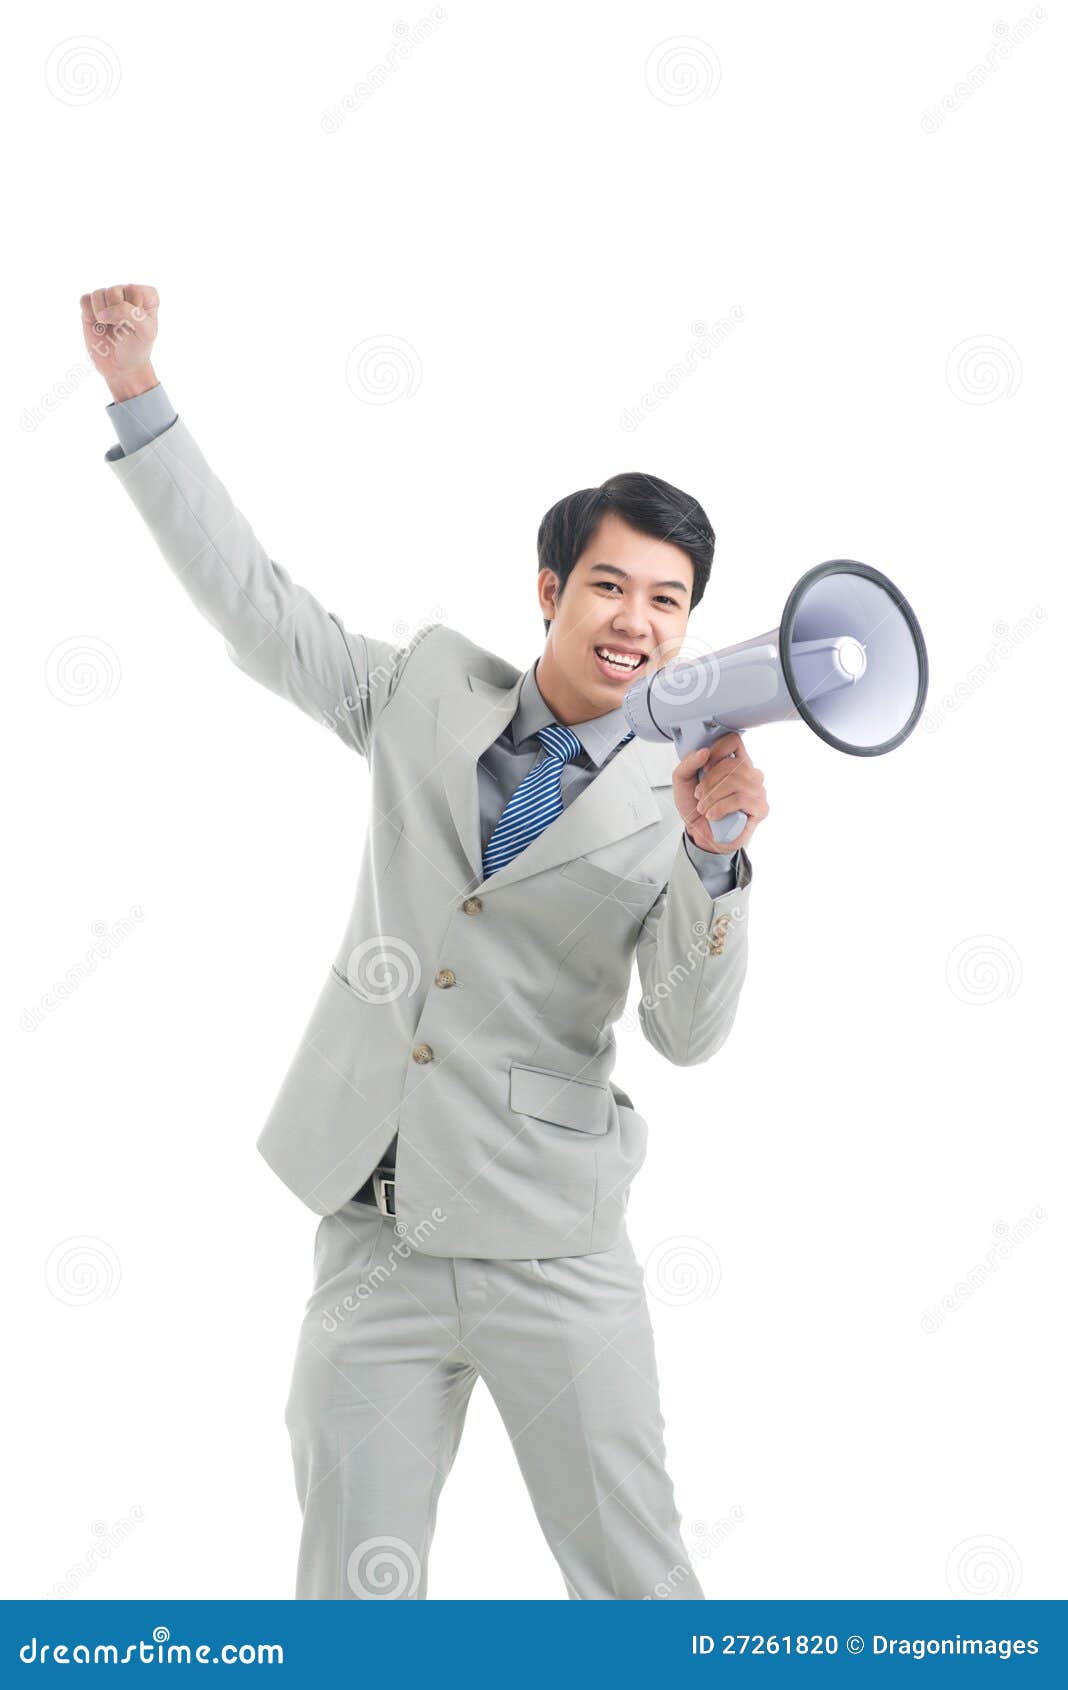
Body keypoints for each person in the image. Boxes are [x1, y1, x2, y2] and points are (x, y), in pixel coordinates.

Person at [81, 282, 769, 1601]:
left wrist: (717, 859)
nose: (636, 620)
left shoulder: (686, 791)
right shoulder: (420, 696)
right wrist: (136, 392)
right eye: (611, 585)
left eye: (668, 601)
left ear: (687, 624)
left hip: (552, 1243)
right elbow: (258, 608)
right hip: (376, 1233)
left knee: (636, 1585)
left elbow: (688, 1033)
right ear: (550, 589)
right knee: (352, 1592)